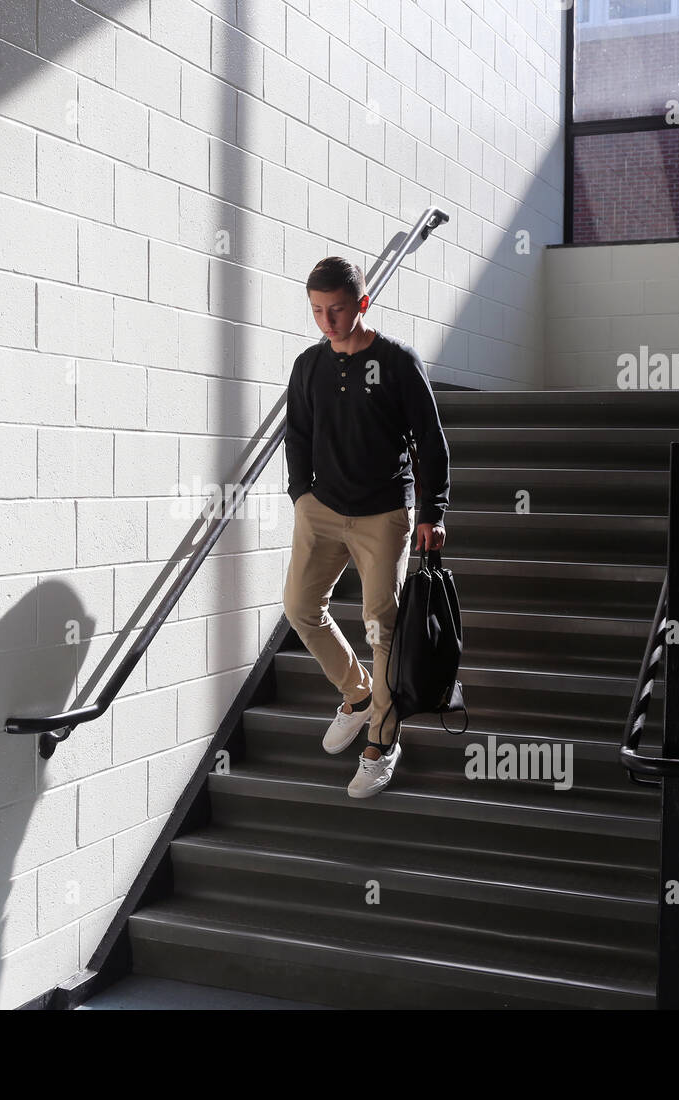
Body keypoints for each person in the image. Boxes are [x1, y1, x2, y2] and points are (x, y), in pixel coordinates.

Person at [282, 256, 451, 799]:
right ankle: (357, 697)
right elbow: (298, 436)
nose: (327, 322)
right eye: (316, 312)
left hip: (384, 513)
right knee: (300, 608)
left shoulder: (397, 361)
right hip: (322, 509)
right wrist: (300, 496)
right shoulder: (308, 365)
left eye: (336, 310)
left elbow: (430, 438)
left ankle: (382, 738)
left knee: (381, 623)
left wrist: (432, 512)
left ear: (362, 304)